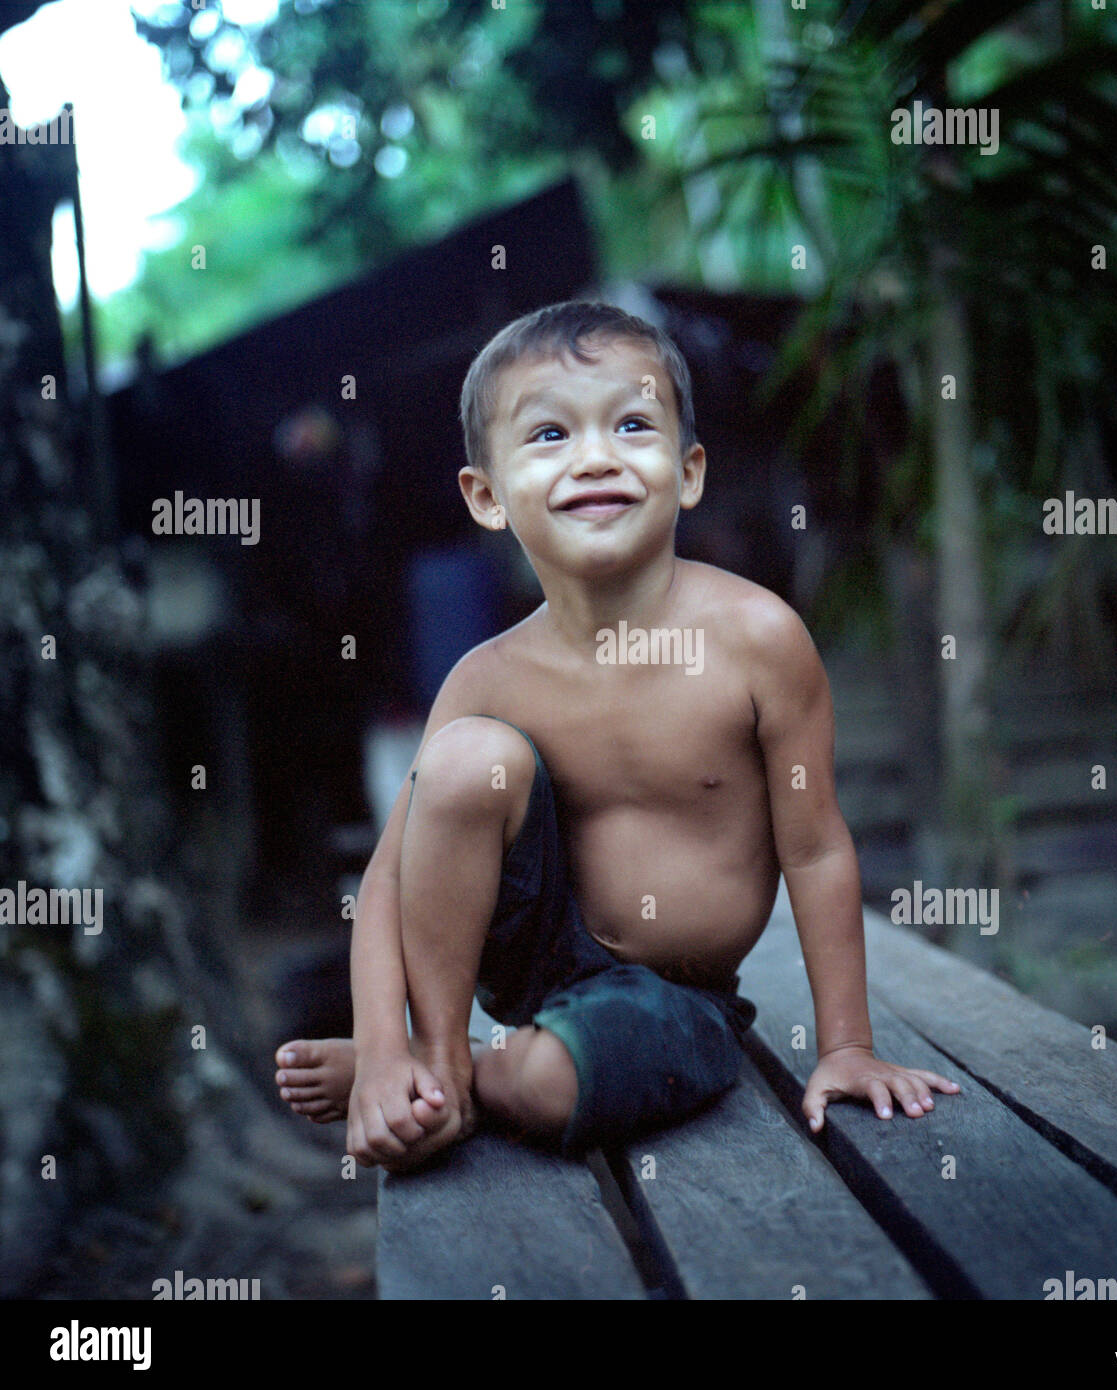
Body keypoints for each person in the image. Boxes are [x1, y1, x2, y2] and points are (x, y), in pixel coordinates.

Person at [273, 300, 959, 1169]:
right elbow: (387, 882)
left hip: (675, 996)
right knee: (465, 759)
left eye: (633, 424)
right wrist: (377, 1049)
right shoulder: (487, 675)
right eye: (550, 435)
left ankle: (470, 1079)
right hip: (524, 966)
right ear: (486, 496)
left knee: (554, 1086)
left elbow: (817, 848)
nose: (596, 456)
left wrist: (847, 1044)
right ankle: (431, 1061)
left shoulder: (758, 638)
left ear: (689, 472)